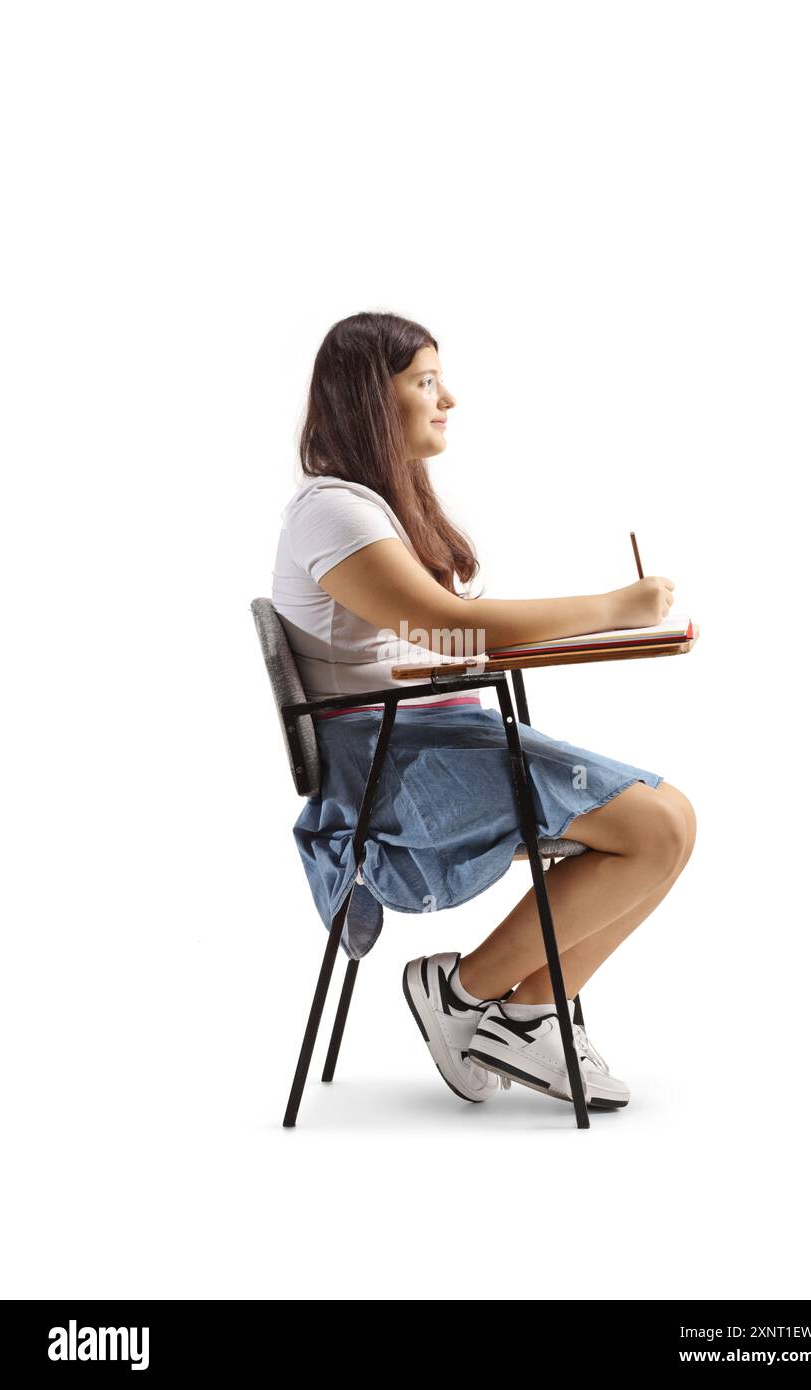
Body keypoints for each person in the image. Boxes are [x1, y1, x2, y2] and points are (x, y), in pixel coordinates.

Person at [271, 310, 696, 1112]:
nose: (448, 399)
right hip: (388, 764)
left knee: (672, 820)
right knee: (658, 829)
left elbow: (440, 630)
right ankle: (465, 995)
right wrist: (614, 608)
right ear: (372, 397)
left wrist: (555, 637)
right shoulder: (333, 511)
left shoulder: (372, 507)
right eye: (426, 382)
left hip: (425, 735)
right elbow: (437, 625)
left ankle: (525, 1015)